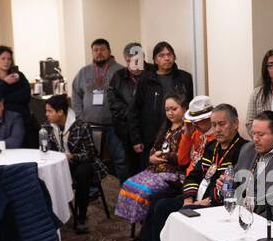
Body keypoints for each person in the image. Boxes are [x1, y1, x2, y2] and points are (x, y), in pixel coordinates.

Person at [136, 104, 244, 241]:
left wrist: (207, 201)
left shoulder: (242, 150)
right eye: (214, 124)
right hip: (196, 198)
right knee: (161, 205)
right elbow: (194, 174)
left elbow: (236, 185)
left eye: (222, 124)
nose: (217, 129)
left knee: (173, 213)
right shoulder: (212, 146)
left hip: (214, 203)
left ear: (235, 124)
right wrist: (188, 199)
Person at [116, 93, 187, 231]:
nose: (170, 113)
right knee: (128, 184)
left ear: (184, 108)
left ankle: (146, 230)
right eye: (167, 110)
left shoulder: (187, 129)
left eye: (174, 109)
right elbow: (155, 147)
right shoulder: (166, 126)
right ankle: (142, 224)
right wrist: (152, 157)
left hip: (174, 172)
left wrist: (165, 156)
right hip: (157, 169)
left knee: (144, 191)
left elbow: (184, 156)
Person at [43, 93, 105, 235]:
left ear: (60, 112)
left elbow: (90, 154)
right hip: (60, 162)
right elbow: (45, 150)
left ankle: (81, 216)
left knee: (83, 172)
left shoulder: (81, 126)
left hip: (80, 162)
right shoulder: (48, 127)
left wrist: (71, 156)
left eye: (49, 111)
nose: (46, 114)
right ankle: (51, 214)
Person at [129, 41, 194, 163]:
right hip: (150, 135)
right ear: (155, 60)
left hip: (178, 133)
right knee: (150, 169)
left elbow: (190, 106)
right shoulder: (145, 79)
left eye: (169, 54)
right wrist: (136, 138)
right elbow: (134, 109)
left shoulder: (185, 78)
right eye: (161, 55)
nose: (167, 58)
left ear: (174, 57)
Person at [71, 38, 125, 175]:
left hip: (114, 125)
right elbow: (76, 94)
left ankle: (126, 190)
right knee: (91, 159)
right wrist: (80, 116)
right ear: (92, 52)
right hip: (90, 125)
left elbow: (127, 97)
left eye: (102, 49)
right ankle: (94, 189)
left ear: (109, 51)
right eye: (95, 50)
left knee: (121, 159)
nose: (99, 53)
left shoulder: (120, 71)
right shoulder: (84, 72)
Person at [109, 42, 148, 175]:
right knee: (130, 167)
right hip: (126, 131)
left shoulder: (153, 72)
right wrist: (134, 115)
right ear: (126, 60)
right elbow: (114, 104)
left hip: (150, 128)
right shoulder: (118, 77)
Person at [0, 45, 32, 138]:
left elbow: (26, 96)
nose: (6, 62)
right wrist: (4, 83)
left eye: (9, 59)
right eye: (3, 58)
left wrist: (4, 99)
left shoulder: (18, 76)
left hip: (21, 116)